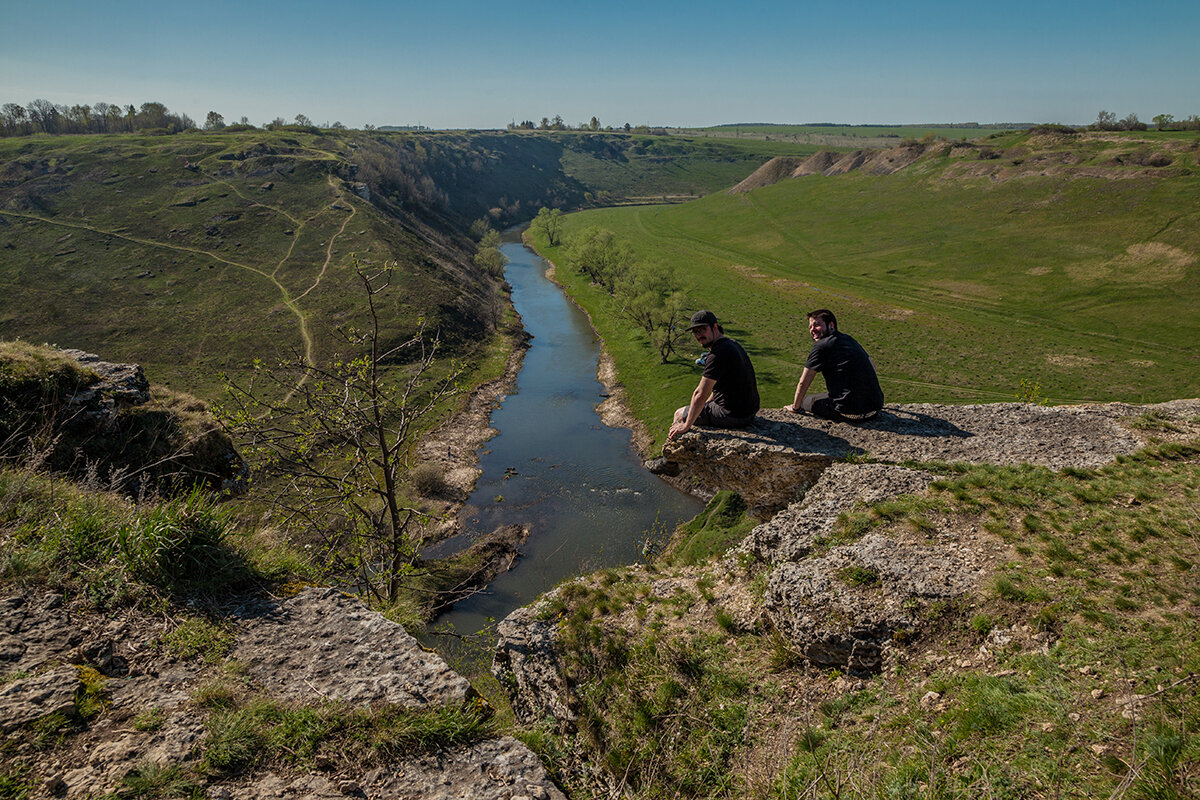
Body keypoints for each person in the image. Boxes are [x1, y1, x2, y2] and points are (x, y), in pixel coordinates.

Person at [669, 310, 759, 440]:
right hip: (749, 413)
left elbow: (700, 394)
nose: (699, 335)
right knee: (699, 407)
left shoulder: (717, 355)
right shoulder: (732, 344)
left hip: (733, 415)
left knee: (679, 414)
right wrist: (706, 404)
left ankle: (672, 456)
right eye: (695, 332)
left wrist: (686, 425)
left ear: (715, 326)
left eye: (702, 329)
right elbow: (719, 387)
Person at [787, 308, 883, 421]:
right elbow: (872, 366)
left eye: (817, 325)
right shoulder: (849, 339)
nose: (813, 330)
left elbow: (803, 382)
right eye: (810, 327)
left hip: (848, 413)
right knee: (826, 395)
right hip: (874, 409)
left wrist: (795, 408)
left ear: (831, 325)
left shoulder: (821, 346)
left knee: (806, 401)